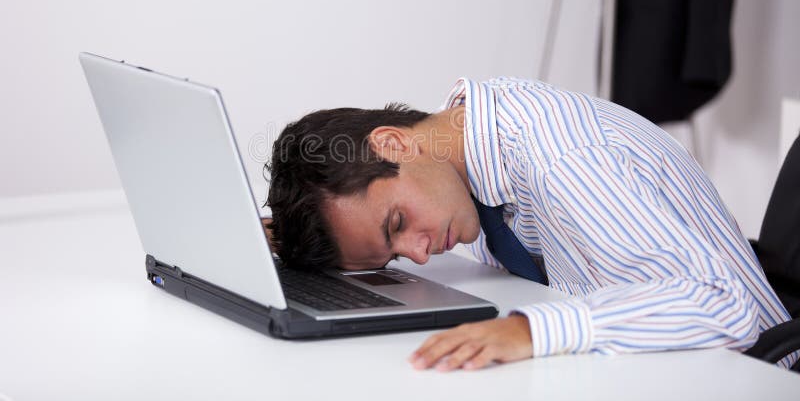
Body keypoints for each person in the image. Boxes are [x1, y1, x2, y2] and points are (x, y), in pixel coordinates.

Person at [264, 77, 796, 371]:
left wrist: (529, 330)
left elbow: (726, 304)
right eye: (398, 254)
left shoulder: (564, 161)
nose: (422, 253)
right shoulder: (469, 147)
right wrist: (287, 237)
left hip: (749, 372)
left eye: (398, 224)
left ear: (393, 143)